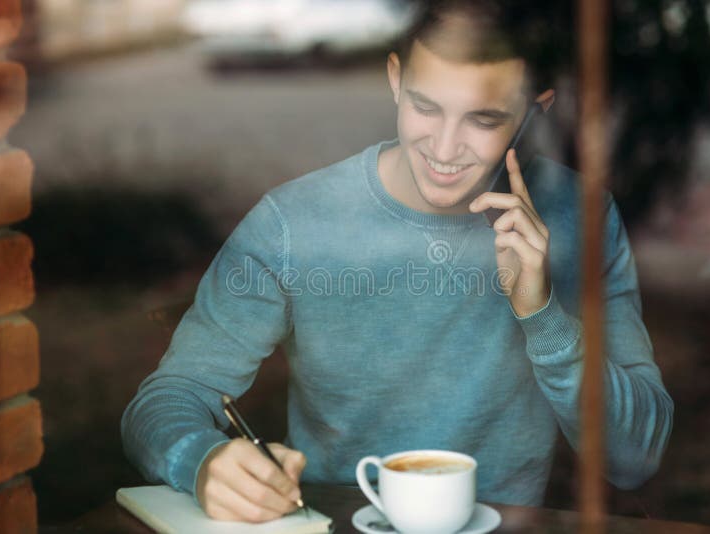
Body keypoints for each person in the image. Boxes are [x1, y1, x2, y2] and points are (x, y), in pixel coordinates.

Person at [121, 0, 673, 523]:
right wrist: (202, 461)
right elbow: (166, 401)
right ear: (394, 80)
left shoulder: (581, 216)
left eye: (483, 120)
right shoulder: (293, 223)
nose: (445, 148)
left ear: (536, 109)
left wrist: (543, 314)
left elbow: (635, 457)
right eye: (425, 107)